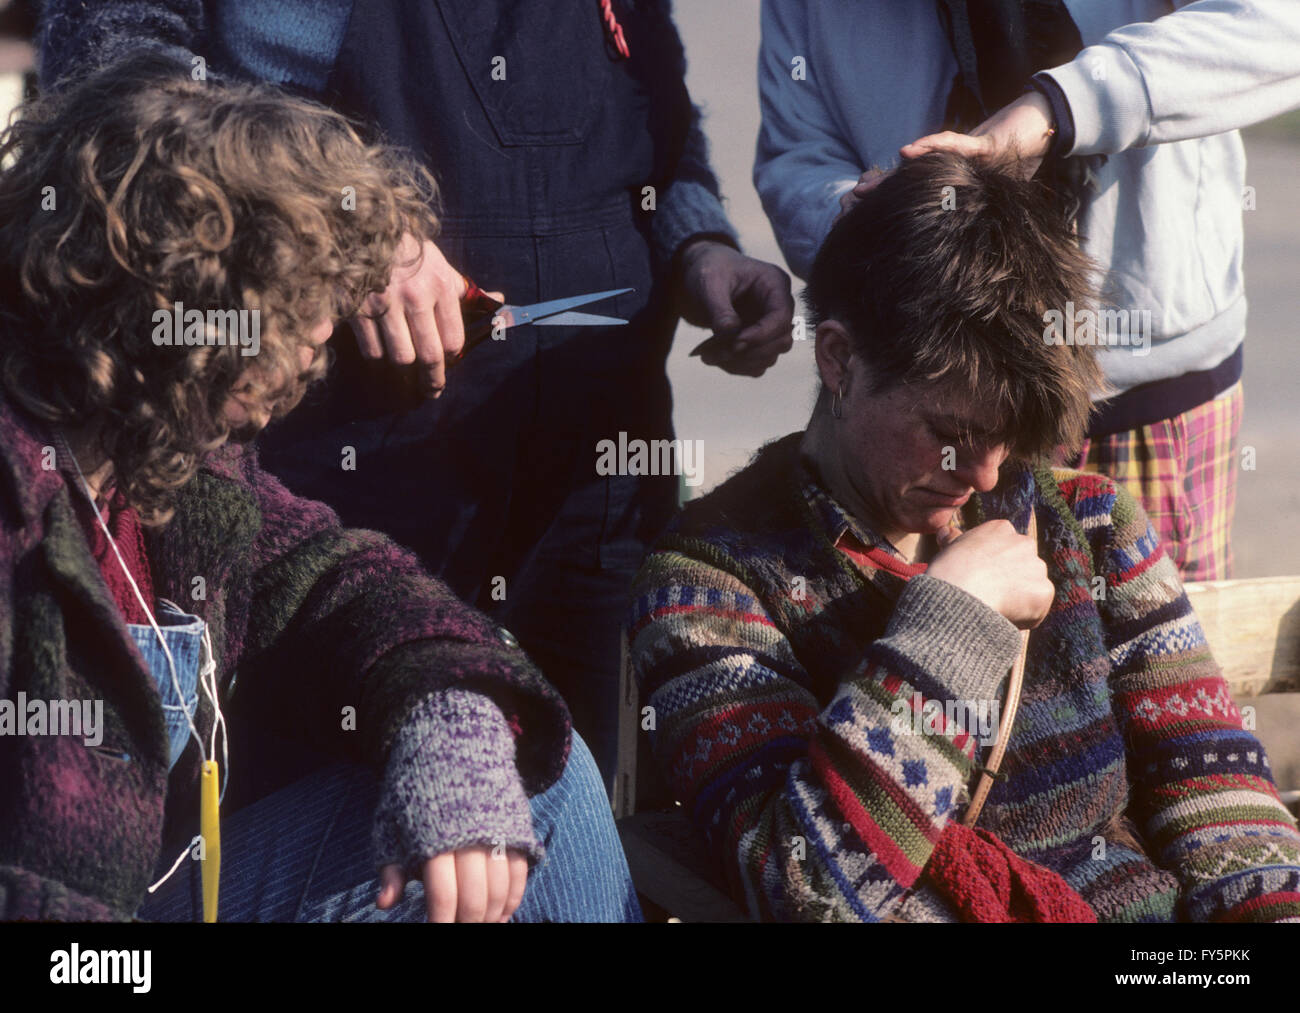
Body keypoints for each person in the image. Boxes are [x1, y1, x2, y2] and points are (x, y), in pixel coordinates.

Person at [37, 0, 797, 789]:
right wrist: (340, 212)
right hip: (345, 476)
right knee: (360, 843)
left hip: (594, 483)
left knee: (572, 811)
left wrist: (695, 241)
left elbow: (658, 128)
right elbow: (122, 89)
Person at [0, 57, 639, 923]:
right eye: (299, 298)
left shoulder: (168, 462)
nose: (324, 336)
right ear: (187, 293)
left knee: (534, 789)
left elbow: (338, 579)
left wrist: (448, 710)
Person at [628, 153, 1300, 922]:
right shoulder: (706, 586)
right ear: (840, 360)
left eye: (1007, 438)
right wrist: (951, 621)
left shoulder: (1090, 525)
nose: (984, 478)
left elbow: (1213, 782)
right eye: (951, 431)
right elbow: (808, 889)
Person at [754, 0, 1300, 582]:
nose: (987, 478)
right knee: (935, 649)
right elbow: (801, 152)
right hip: (932, 404)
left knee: (1154, 654)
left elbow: (1278, 24)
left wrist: (1061, 107)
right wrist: (873, 217)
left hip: (1139, 389)